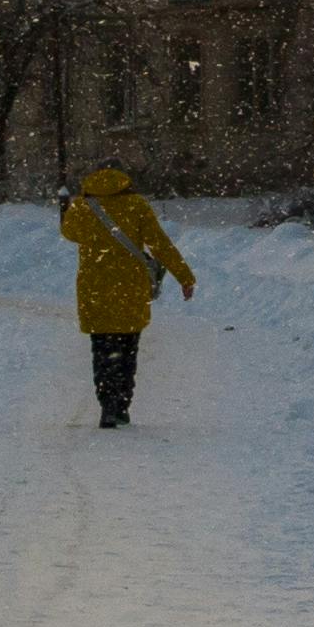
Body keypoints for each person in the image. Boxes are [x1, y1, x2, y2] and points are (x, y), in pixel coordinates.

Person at [57, 163, 197, 428]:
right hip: (130, 289)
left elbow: (68, 232)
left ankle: (107, 404)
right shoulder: (136, 205)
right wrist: (185, 277)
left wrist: (66, 206)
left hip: (95, 289)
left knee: (102, 350)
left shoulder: (83, 207)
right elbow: (160, 243)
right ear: (124, 180)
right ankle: (122, 404)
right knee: (127, 350)